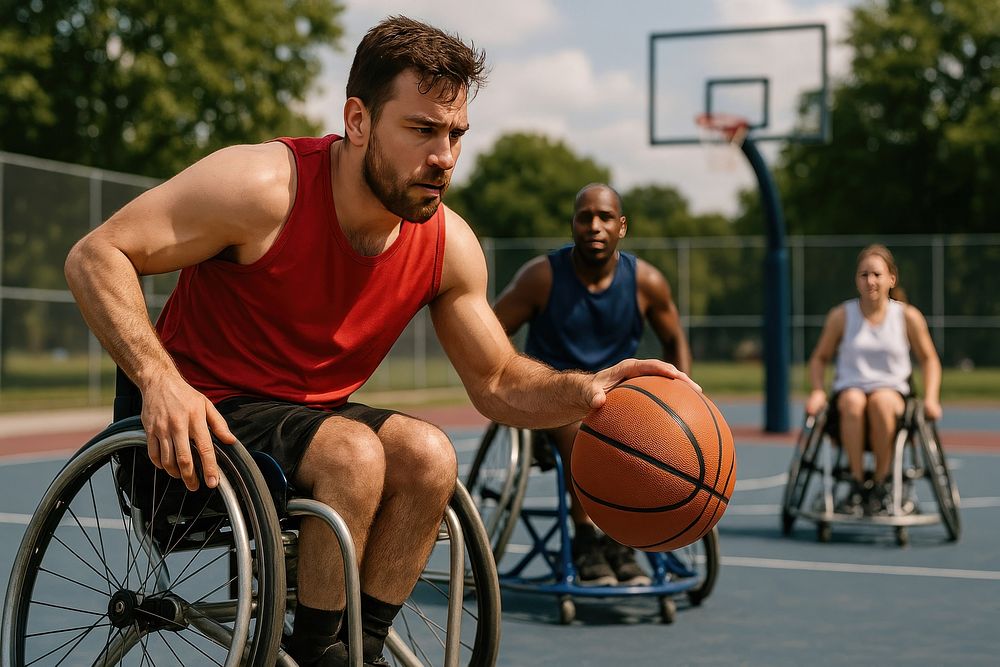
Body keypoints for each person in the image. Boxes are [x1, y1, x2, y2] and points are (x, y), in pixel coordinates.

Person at [63, 16, 697, 667]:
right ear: (358, 120)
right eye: (422, 130)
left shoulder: (447, 244)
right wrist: (160, 381)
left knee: (429, 453)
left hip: (310, 426)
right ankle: (319, 653)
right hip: (190, 432)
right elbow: (96, 255)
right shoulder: (261, 189)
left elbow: (500, 379)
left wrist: (588, 391)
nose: (445, 156)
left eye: (455, 134)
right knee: (354, 453)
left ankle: (353, 648)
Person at [492, 183, 692, 586]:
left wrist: (684, 394)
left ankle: (625, 535)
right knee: (580, 423)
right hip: (554, 401)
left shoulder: (645, 282)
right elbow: (488, 332)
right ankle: (589, 538)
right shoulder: (541, 277)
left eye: (604, 217)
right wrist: (521, 382)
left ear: (622, 227)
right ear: (573, 226)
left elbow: (674, 339)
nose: (594, 226)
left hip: (620, 401)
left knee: (654, 434)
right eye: (585, 217)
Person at [805, 244, 942, 517]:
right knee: (854, 401)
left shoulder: (907, 316)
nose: (870, 281)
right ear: (856, 280)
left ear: (892, 279)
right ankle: (858, 484)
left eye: (877, 274)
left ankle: (881, 483)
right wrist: (818, 391)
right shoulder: (841, 316)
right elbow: (819, 358)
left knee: (881, 401)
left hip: (892, 393)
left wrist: (931, 398)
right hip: (850, 392)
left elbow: (929, 359)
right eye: (864, 275)